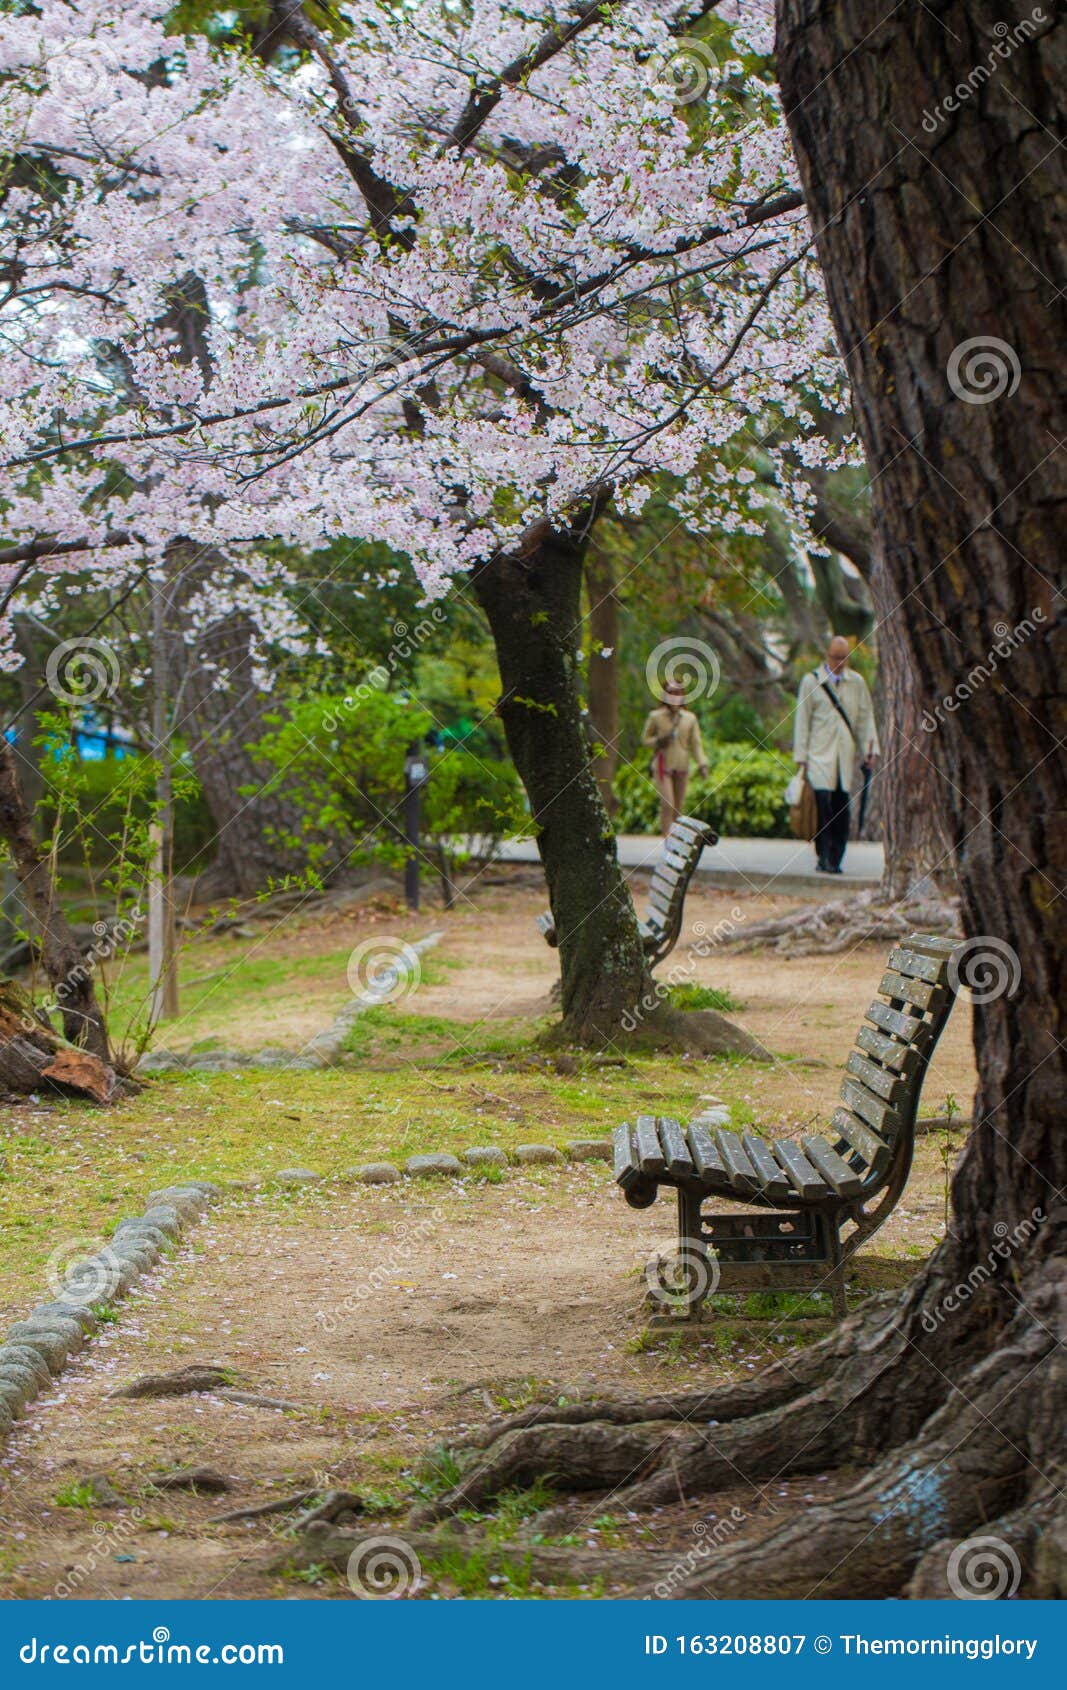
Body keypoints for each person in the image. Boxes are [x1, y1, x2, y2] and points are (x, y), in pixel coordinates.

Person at [793, 635, 879, 874]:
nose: (840, 662)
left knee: (842, 807)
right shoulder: (811, 681)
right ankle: (823, 855)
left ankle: (836, 857)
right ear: (827, 655)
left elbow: (865, 718)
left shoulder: (857, 683)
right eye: (835, 657)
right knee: (821, 807)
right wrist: (801, 757)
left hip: (844, 756)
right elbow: (802, 720)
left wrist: (870, 751)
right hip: (818, 755)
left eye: (844, 658)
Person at [641, 679, 709, 836]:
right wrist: (658, 741)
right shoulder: (656, 716)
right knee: (668, 804)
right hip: (662, 765)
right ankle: (667, 840)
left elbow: (696, 744)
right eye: (670, 692)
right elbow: (645, 739)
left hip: (682, 766)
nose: (674, 696)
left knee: (678, 808)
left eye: (677, 692)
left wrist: (702, 764)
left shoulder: (690, 718)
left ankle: (677, 841)